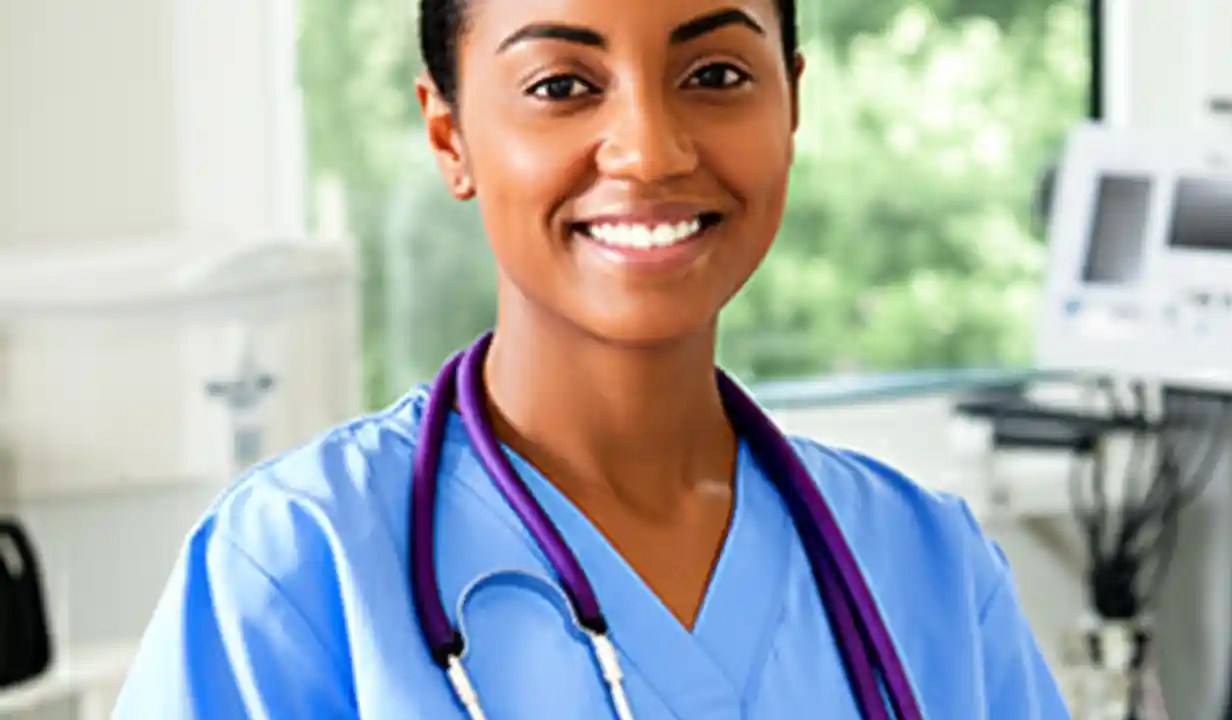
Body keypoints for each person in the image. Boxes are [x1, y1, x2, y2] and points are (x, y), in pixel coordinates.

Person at [114, 0, 1069, 717]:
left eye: (716, 76)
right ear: (450, 136)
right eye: (561, 86)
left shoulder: (926, 567)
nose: (650, 152)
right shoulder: (298, 567)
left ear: (791, 105)